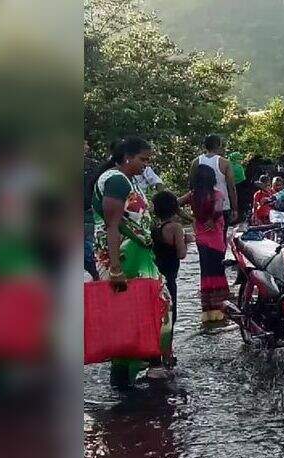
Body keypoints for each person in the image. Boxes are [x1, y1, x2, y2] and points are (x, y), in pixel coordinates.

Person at [90, 136, 173, 387]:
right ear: (127, 157)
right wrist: (115, 269)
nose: (145, 166)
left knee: (144, 309)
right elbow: (112, 226)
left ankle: (143, 366)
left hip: (136, 254)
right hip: (124, 256)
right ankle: (130, 373)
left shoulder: (124, 180)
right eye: (142, 160)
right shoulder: (115, 180)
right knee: (137, 310)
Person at [179, 165, 230, 323]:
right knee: (218, 270)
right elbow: (218, 211)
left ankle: (207, 309)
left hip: (201, 238)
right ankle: (221, 308)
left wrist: (190, 219)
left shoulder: (193, 195)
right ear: (212, 179)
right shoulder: (217, 195)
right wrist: (211, 220)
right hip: (215, 238)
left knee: (205, 271)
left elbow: (175, 204)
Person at [150, 191, 187, 358]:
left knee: (155, 315)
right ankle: (167, 354)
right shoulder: (175, 227)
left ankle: (154, 351)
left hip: (154, 276)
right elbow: (181, 254)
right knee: (170, 316)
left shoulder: (154, 227)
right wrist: (187, 240)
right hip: (170, 277)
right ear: (174, 208)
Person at [188, 134, 239, 228]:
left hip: (202, 206)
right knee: (221, 237)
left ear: (204, 146)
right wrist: (235, 209)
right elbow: (231, 188)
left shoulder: (196, 162)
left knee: (203, 236)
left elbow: (191, 185)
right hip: (222, 207)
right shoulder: (225, 163)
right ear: (219, 145)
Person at [84, 141, 101, 280]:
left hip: (88, 214)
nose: (88, 147)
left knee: (87, 251)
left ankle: (96, 276)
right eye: (85, 144)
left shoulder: (93, 166)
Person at [228, 151, 252, 224]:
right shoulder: (239, 167)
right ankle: (238, 218)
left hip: (228, 188)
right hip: (239, 188)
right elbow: (243, 179)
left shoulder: (227, 165)